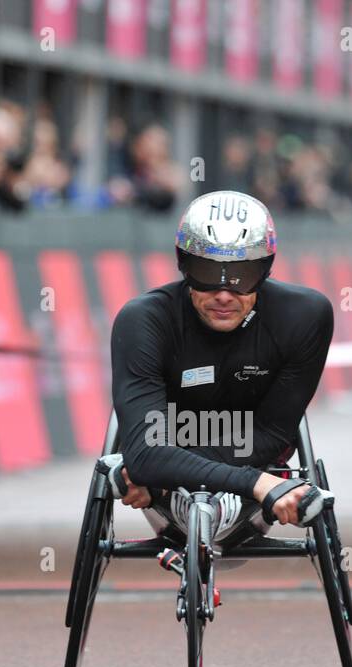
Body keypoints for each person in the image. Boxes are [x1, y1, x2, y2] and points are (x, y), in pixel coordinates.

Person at [103, 190, 336, 546]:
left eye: (242, 274)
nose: (225, 293)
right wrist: (259, 484)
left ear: (266, 269)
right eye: (207, 271)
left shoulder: (305, 316)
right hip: (178, 469)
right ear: (183, 265)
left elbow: (273, 433)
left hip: (229, 460)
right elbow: (147, 451)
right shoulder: (142, 321)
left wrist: (158, 469)